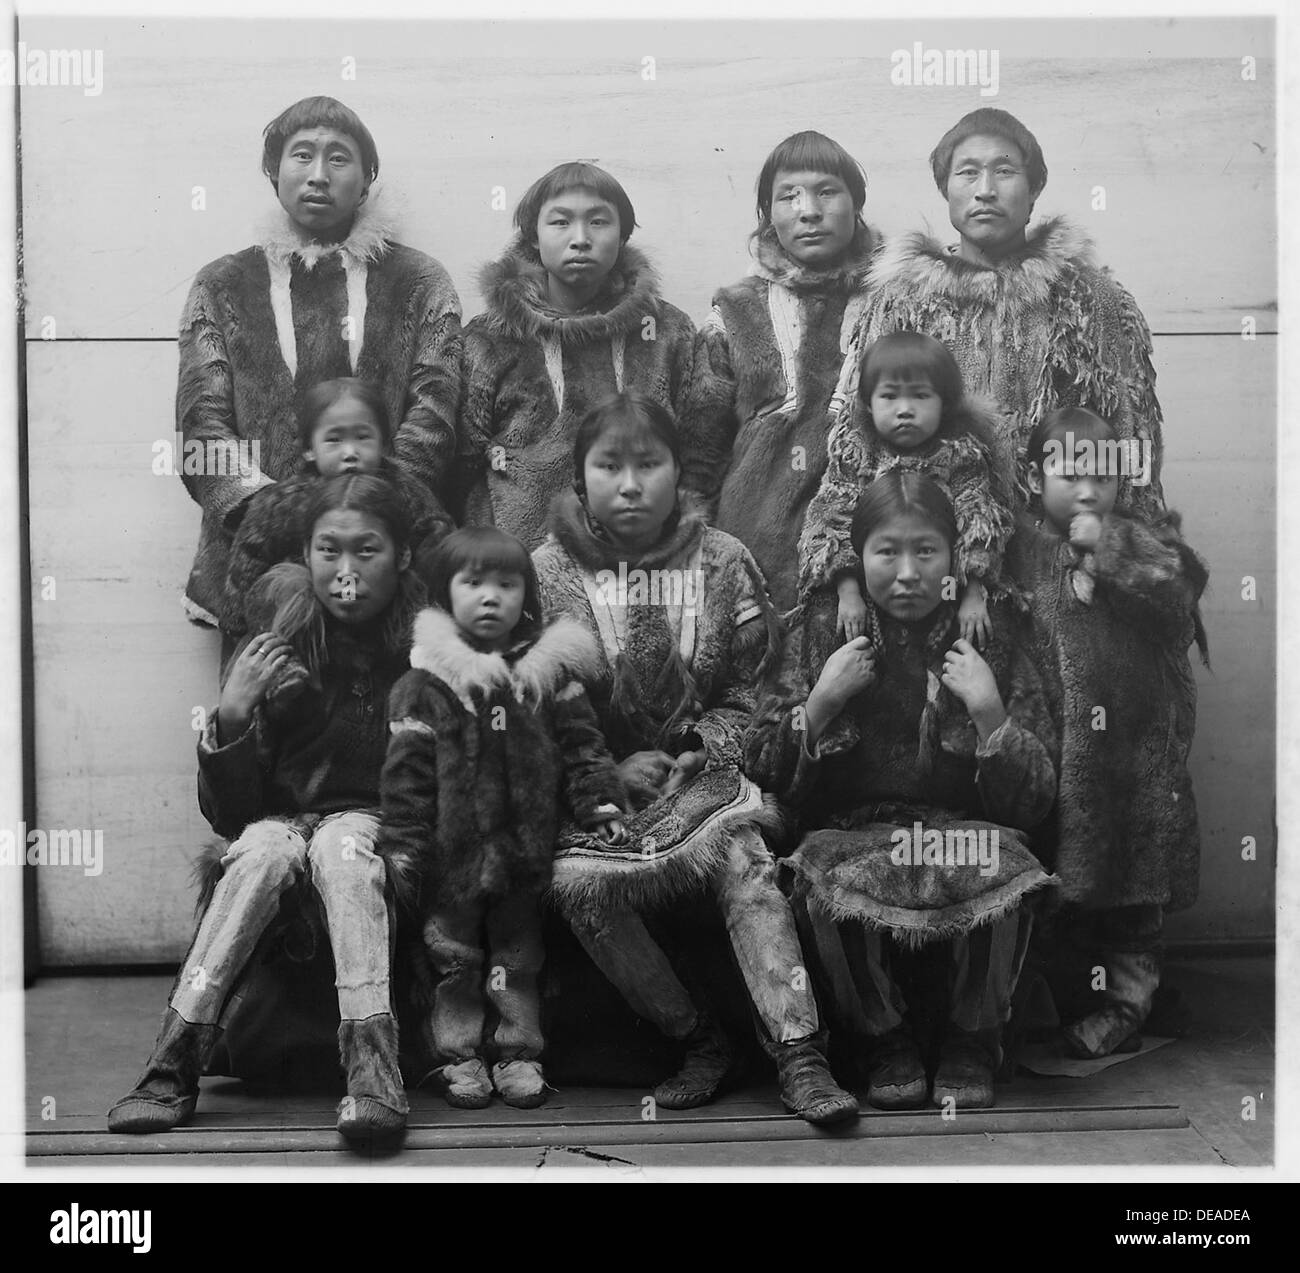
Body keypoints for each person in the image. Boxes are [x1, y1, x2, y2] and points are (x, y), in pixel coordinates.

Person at [532, 392, 858, 1127]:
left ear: (679, 473)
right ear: (581, 480)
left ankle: (800, 1049)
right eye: (608, 466)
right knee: (579, 887)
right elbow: (542, 705)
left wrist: (695, 746)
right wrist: (604, 773)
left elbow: (758, 690)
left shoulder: (722, 559)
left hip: (703, 775)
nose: (630, 483)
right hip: (603, 790)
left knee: (744, 856)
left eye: (649, 464)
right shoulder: (546, 572)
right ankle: (698, 1038)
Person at [108, 474, 425, 1141]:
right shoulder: (283, 643)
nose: (345, 571)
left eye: (366, 551)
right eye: (327, 551)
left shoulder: (419, 651)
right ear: (305, 556)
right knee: (255, 852)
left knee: (342, 850)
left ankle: (374, 1072)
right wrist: (232, 714)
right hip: (281, 824)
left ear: (400, 556)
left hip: (368, 822)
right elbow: (231, 815)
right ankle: (172, 1061)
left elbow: (437, 779)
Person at [745, 471, 1058, 1110]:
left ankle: (975, 1043)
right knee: (821, 876)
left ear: (954, 559)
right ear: (859, 558)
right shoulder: (818, 629)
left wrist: (990, 713)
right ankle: (882, 1042)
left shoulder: (989, 631)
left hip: (959, 832)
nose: (908, 573)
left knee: (1010, 865)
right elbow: (761, 766)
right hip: (857, 831)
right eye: (888, 552)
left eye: (927, 552)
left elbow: (1037, 800)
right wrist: (822, 702)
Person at [177, 95, 461, 641]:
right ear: (273, 172)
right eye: (301, 155)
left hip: (386, 559)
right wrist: (276, 515)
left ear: (366, 177)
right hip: (258, 563)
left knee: (399, 713)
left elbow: (435, 416)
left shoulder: (421, 281)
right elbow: (201, 428)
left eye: (338, 158)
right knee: (271, 707)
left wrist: (366, 518)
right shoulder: (222, 284)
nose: (317, 175)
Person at [377, 527, 627, 1111]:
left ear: (527, 596)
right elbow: (406, 773)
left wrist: (602, 804)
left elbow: (582, 748)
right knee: (453, 955)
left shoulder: (547, 675)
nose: (490, 597)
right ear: (446, 595)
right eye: (473, 583)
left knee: (518, 957)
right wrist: (405, 846)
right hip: (453, 854)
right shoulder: (424, 682)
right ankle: (457, 1056)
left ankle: (519, 1053)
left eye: (506, 584)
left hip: (525, 849)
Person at [1007, 407, 1208, 1058]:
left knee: (1131, 889)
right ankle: (1049, 996)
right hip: (1059, 755)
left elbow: (1178, 605)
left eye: (1102, 474)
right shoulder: (1026, 553)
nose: (1087, 488)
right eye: (1069, 472)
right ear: (1036, 479)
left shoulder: (1145, 543)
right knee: (1061, 885)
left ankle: (1128, 1001)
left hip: (1132, 757)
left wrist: (1110, 548)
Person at [851, 107, 1164, 519]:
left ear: (1034, 190)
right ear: (946, 189)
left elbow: (1130, 438)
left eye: (1004, 171)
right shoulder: (900, 299)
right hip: (935, 556)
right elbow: (856, 441)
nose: (985, 190)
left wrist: (1115, 558)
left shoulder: (1092, 300)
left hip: (1059, 560)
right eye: (967, 172)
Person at [457, 161, 704, 548]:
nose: (581, 238)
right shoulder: (490, 337)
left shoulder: (666, 332)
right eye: (560, 222)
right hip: (517, 567)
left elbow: (697, 453)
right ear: (534, 237)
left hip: (644, 563)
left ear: (622, 235)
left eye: (599, 222)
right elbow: (463, 461)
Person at [696, 130, 881, 611]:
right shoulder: (735, 314)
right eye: (789, 196)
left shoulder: (898, 301)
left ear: (856, 204)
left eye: (827, 191)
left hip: (876, 561)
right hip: (753, 558)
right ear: (768, 215)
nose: (809, 210)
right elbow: (700, 450)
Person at [221, 377, 452, 703]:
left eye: (362, 438)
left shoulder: (406, 492)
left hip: (379, 615)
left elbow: (436, 540)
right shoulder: (283, 500)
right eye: (334, 440)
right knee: (285, 584)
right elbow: (250, 551)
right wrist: (238, 616)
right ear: (309, 449)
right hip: (307, 621)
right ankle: (286, 675)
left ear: (385, 445)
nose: (350, 453)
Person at [796, 331, 1014, 664]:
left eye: (920, 396)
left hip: (942, 587)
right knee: (829, 620)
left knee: (986, 625)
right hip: (873, 585)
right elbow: (830, 520)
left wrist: (972, 590)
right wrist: (847, 588)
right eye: (890, 397)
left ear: (944, 402)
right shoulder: (856, 454)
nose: (905, 410)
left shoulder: (961, 456)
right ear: (869, 403)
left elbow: (979, 523)